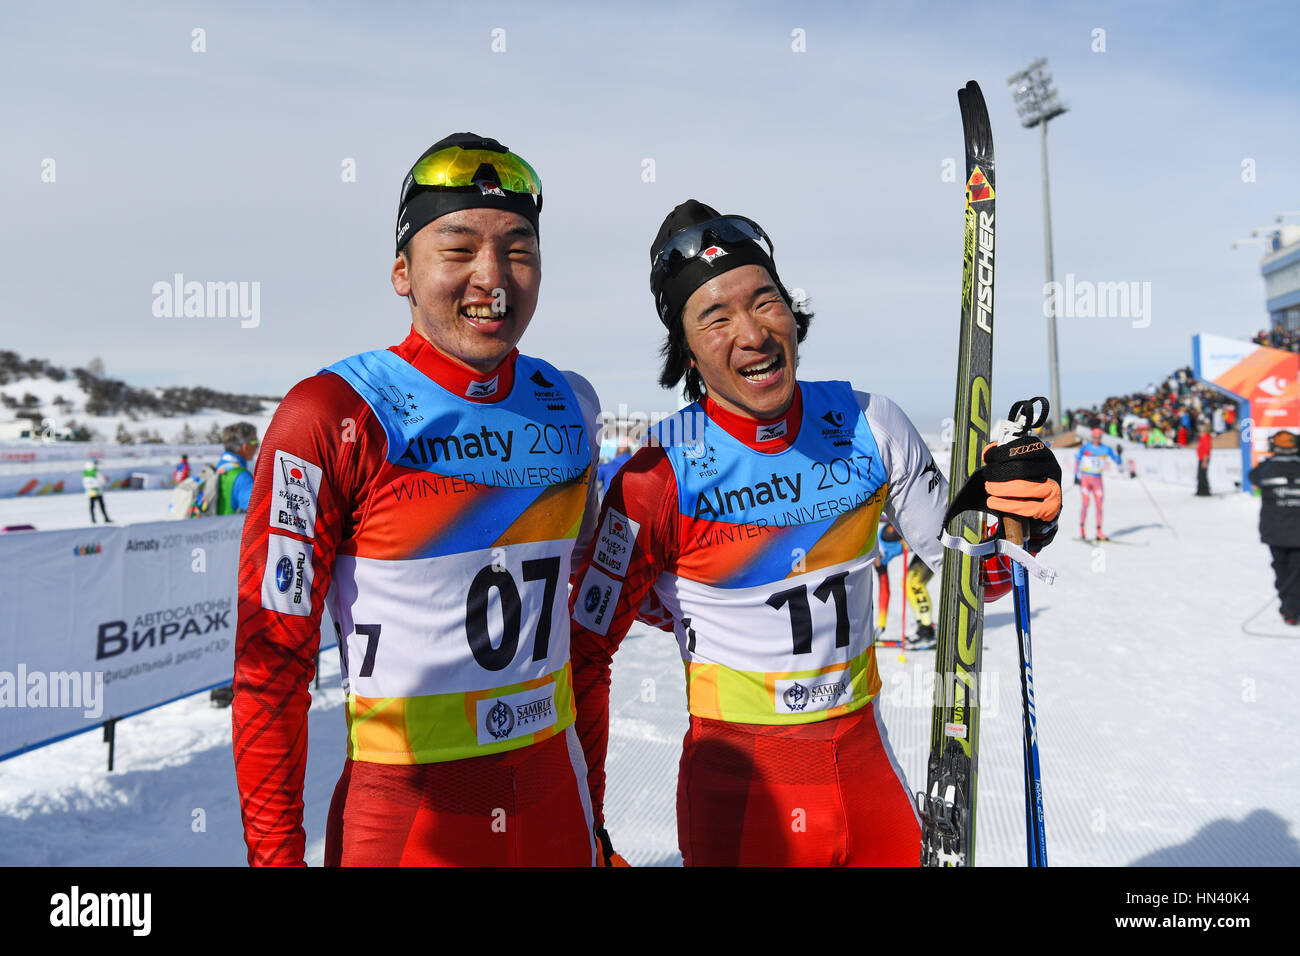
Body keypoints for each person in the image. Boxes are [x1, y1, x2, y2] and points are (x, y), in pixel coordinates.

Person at [569, 201, 1061, 866]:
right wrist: (587, 829)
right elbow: (584, 655)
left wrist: (1017, 521)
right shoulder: (658, 475)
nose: (752, 333)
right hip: (744, 800)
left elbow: (969, 582)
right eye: (714, 317)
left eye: (764, 300)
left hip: (866, 774)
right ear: (686, 350)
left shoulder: (870, 423)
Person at [231, 133, 603, 866]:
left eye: (518, 251)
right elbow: (271, 664)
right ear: (402, 272)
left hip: (557, 807)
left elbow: (584, 620)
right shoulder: (333, 414)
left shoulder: (571, 405)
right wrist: (275, 858)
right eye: (458, 250)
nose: (492, 278)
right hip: (406, 826)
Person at [209, 424, 260, 708]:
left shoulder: (218, 470)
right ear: (244, 446)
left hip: (214, 559)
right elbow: (259, 512)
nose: (256, 446)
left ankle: (217, 683)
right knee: (235, 622)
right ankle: (226, 684)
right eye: (254, 440)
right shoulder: (240, 476)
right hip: (233, 559)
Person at [1248, 431, 1300, 625]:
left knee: (1282, 569)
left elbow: (1252, 477)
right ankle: (1291, 608)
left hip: (1275, 531)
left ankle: (1290, 608)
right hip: (1292, 532)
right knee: (1295, 571)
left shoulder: (1266, 467)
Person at [871, 518, 936, 649]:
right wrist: (881, 625)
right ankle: (923, 625)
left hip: (933, 543)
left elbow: (907, 520)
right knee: (907, 584)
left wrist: (907, 537)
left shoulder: (887, 535)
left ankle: (926, 630)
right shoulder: (879, 563)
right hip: (923, 550)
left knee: (914, 583)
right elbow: (884, 591)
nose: (874, 564)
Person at [1075, 426, 1121, 541]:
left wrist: (1119, 453)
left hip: (1097, 480)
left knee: (1099, 506)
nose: (1097, 439)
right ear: (1092, 437)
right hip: (1085, 479)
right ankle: (1082, 531)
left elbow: (1117, 461)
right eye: (1095, 437)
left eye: (1099, 437)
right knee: (1085, 504)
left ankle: (1099, 532)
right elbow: (1077, 460)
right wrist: (1076, 476)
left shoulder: (1106, 449)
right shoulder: (1085, 447)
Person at [82, 458, 111, 523]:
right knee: (101, 505)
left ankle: (93, 519)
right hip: (97, 490)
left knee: (92, 505)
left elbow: (84, 481)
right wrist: (105, 481)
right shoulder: (95, 470)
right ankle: (106, 518)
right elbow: (101, 480)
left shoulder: (86, 471)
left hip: (90, 490)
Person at [1195, 420, 1212, 496]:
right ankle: (1200, 490)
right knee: (1200, 475)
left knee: (1203, 475)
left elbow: (1207, 449)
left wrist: (1205, 461)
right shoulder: (1201, 437)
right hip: (1201, 458)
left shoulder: (1207, 437)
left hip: (1204, 458)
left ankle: (1205, 491)